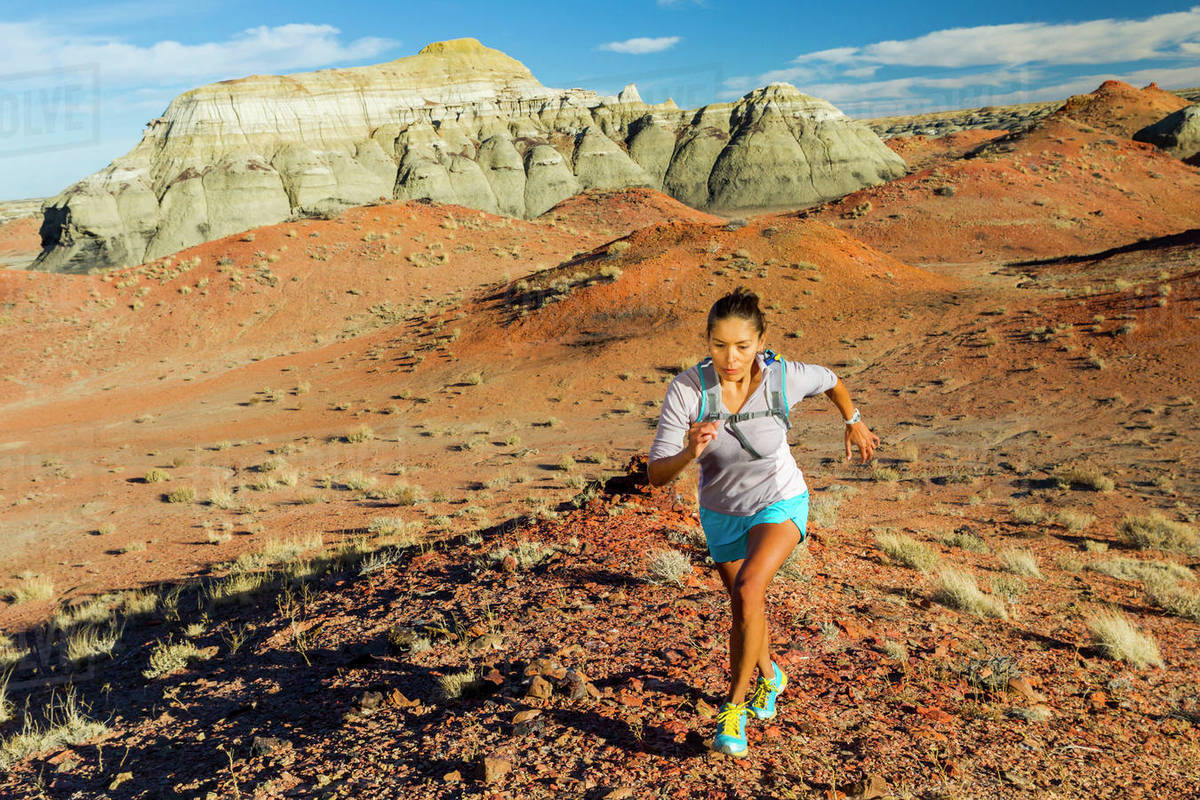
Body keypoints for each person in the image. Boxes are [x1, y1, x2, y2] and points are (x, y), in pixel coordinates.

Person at [647, 286, 879, 758]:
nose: (730, 358)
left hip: (780, 500)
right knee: (744, 607)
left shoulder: (784, 377)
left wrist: (852, 420)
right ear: (707, 342)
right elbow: (655, 475)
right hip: (720, 513)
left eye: (742, 346)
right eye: (719, 345)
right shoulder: (687, 391)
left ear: (760, 341)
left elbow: (832, 380)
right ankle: (771, 676)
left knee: (750, 590)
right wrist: (690, 452)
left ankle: (733, 711)